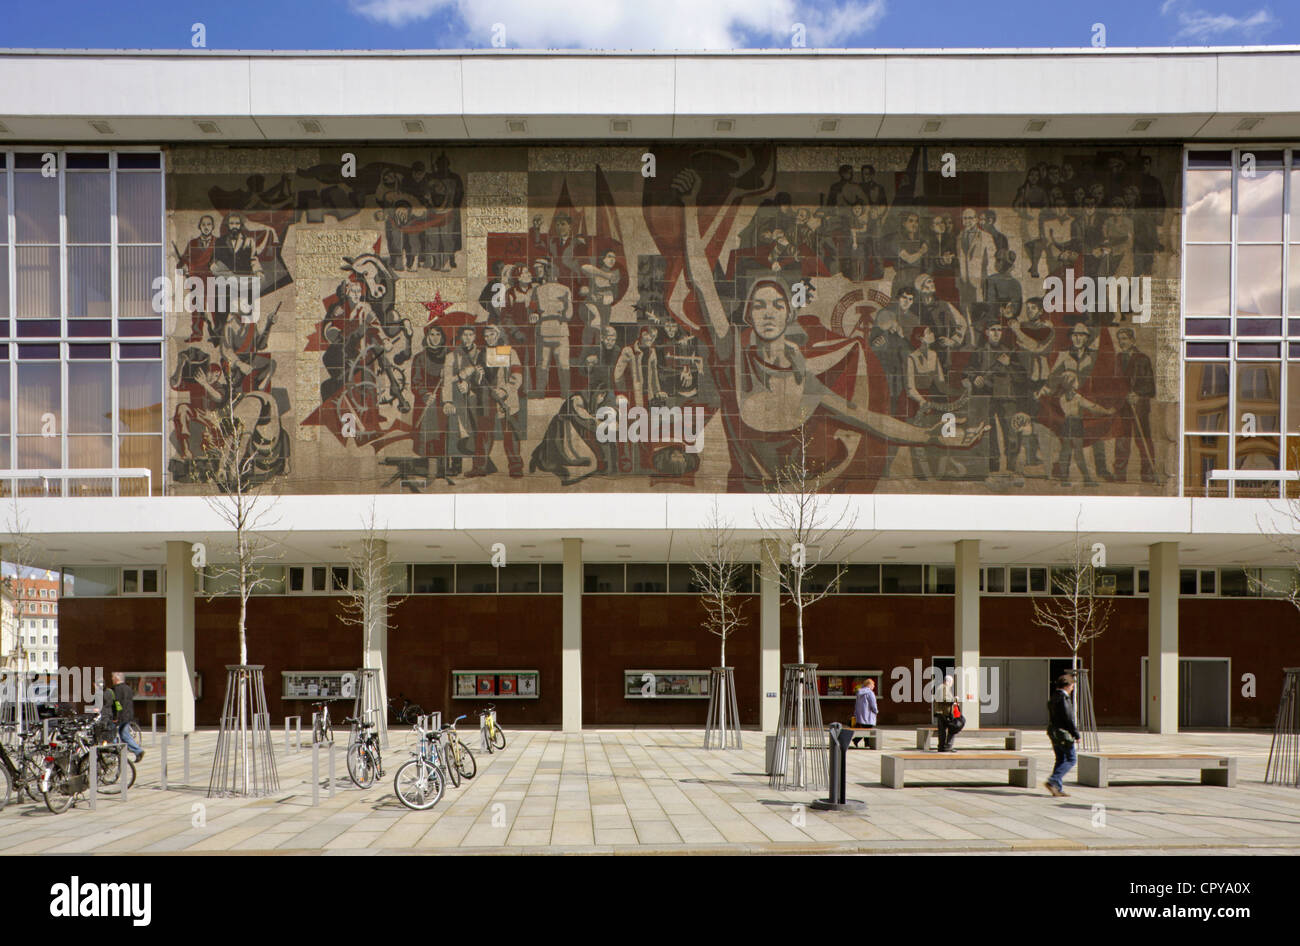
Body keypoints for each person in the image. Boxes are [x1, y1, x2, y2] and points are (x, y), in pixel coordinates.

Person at [1046, 673, 1082, 796]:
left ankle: (1057, 789)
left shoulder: (1053, 697)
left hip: (1053, 732)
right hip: (1063, 734)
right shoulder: (1064, 699)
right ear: (1067, 686)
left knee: (1060, 759)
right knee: (1071, 759)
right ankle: (1053, 780)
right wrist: (1076, 734)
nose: (1072, 689)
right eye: (1072, 686)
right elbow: (1069, 719)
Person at [108, 672, 144, 763]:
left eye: (112, 677)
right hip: (128, 715)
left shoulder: (115, 690)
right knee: (124, 734)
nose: (112, 679)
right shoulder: (128, 688)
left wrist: (116, 716)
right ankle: (137, 751)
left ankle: (116, 753)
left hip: (120, 716)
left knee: (114, 734)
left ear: (116, 679)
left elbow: (117, 704)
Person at [934, 673, 963, 752]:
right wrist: (954, 700)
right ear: (949, 681)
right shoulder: (944, 688)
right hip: (945, 713)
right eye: (951, 682)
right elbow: (944, 699)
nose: (951, 684)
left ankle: (941, 747)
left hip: (941, 712)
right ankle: (948, 746)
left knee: (942, 731)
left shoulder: (940, 687)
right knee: (953, 728)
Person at [851, 677, 878, 747]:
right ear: (869, 685)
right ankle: (858, 740)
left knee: (865, 729)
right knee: (868, 729)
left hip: (860, 715)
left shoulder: (859, 693)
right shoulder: (870, 693)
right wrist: (875, 711)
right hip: (869, 715)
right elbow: (873, 703)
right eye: (873, 685)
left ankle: (865, 743)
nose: (874, 686)